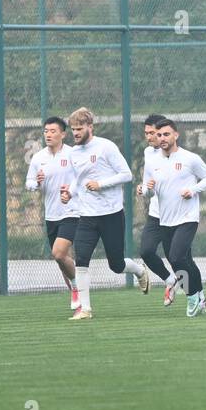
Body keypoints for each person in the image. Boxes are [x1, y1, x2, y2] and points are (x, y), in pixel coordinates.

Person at [62, 107, 150, 320]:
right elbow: (78, 179)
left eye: (79, 129)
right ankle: (85, 309)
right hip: (86, 216)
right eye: (73, 129)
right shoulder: (73, 152)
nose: (76, 133)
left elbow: (126, 175)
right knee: (81, 259)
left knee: (116, 264)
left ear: (90, 127)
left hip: (111, 214)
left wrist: (100, 184)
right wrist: (69, 193)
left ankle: (139, 271)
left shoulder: (105, 147)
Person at [141, 118, 206, 317]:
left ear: (176, 135)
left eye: (166, 134)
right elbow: (148, 193)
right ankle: (200, 296)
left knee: (176, 256)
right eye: (159, 135)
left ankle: (192, 297)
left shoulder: (190, 158)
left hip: (187, 217)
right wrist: (147, 190)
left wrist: (192, 190)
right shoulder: (152, 161)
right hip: (165, 220)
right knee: (181, 262)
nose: (162, 138)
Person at [26, 116, 81, 314]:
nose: (48, 134)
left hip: (72, 212)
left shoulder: (73, 154)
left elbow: (83, 178)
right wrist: (37, 183)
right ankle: (80, 304)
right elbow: (29, 183)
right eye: (46, 131)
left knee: (58, 253)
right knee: (62, 261)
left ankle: (77, 288)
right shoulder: (38, 157)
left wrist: (71, 190)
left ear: (63, 134)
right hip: (52, 215)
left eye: (53, 131)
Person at [137, 113, 182, 307]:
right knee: (146, 251)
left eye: (153, 133)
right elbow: (149, 182)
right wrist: (144, 188)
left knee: (179, 259)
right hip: (156, 215)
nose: (149, 137)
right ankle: (170, 281)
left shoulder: (179, 156)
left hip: (176, 216)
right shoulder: (148, 153)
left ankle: (195, 295)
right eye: (146, 133)